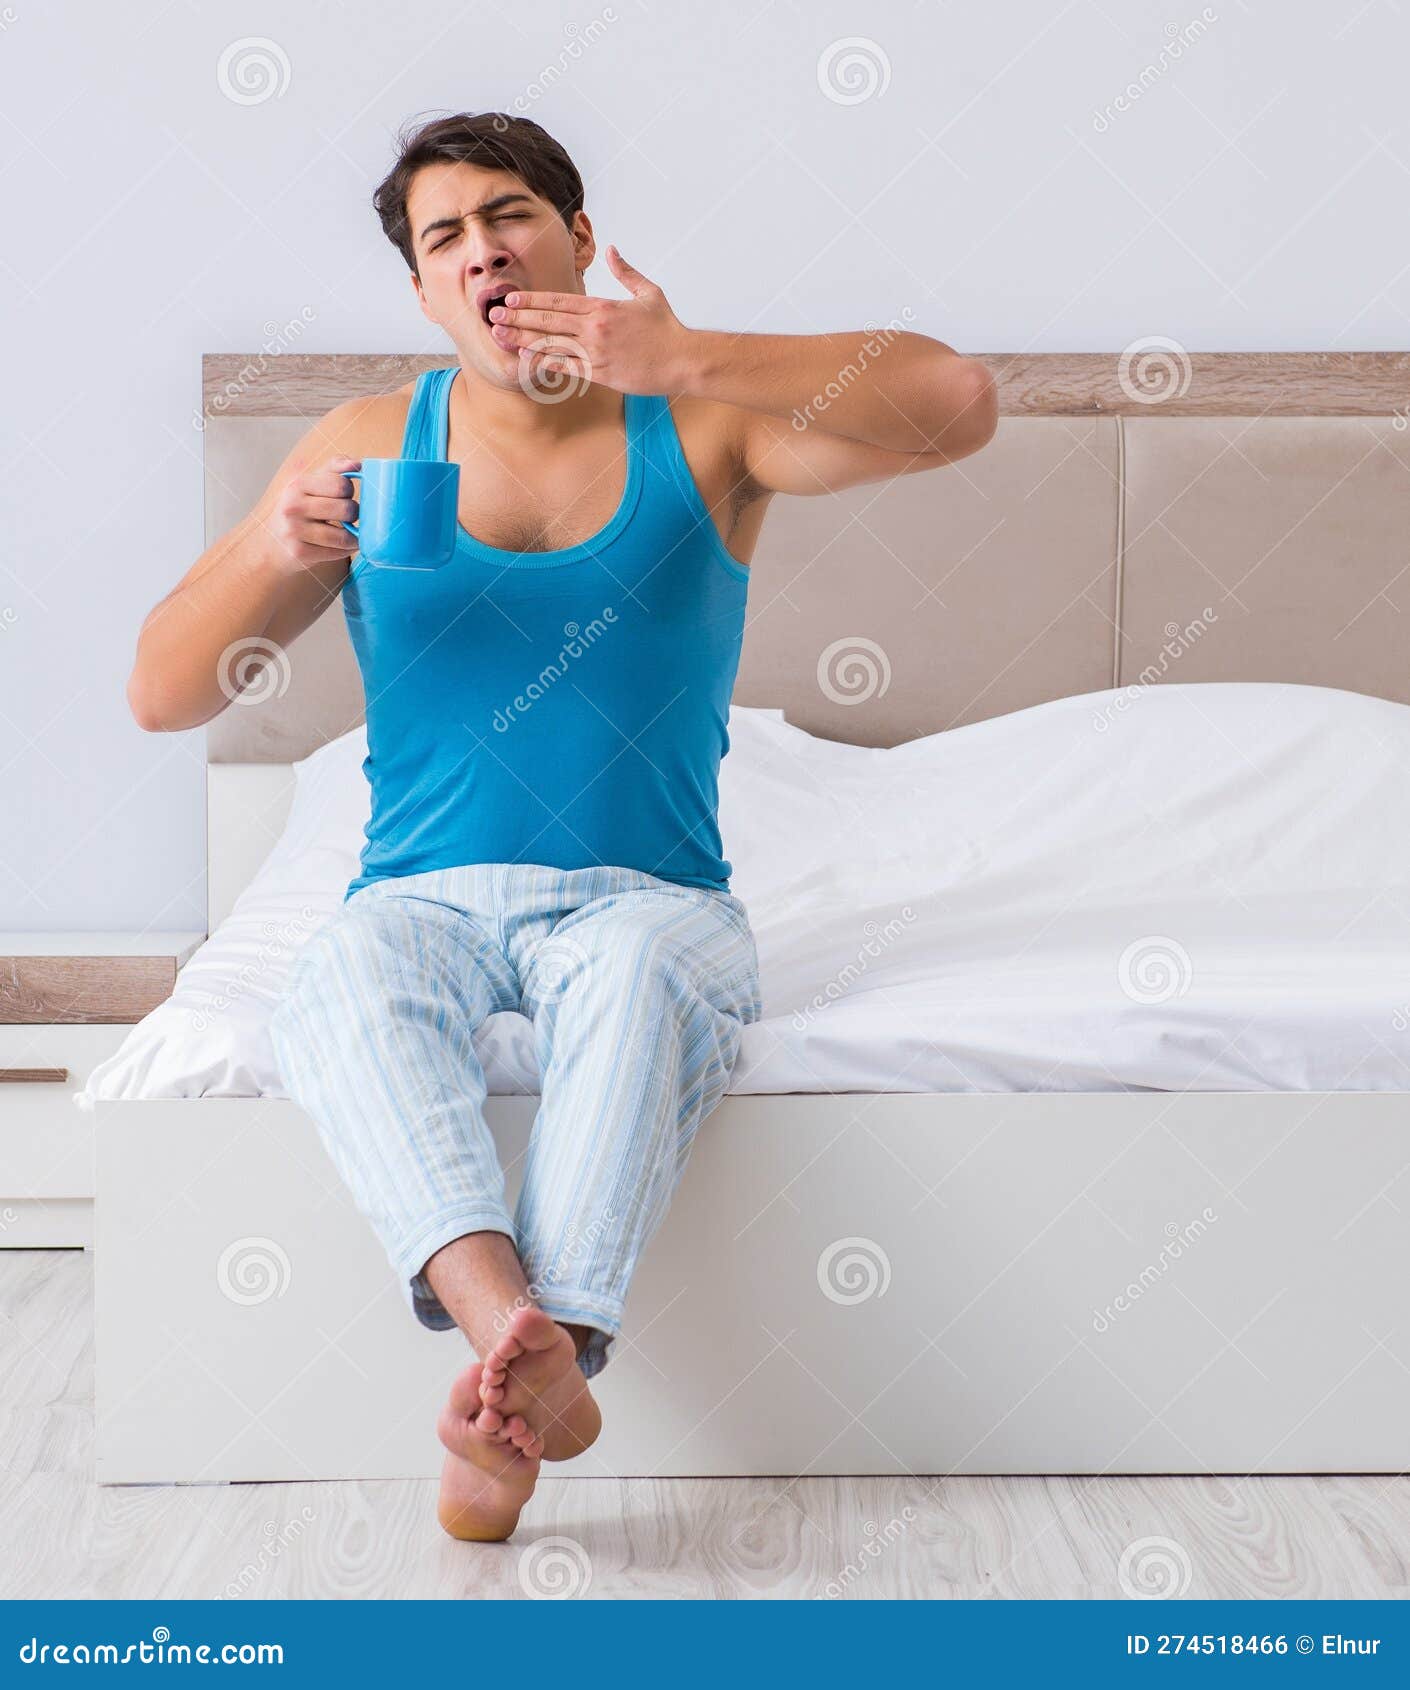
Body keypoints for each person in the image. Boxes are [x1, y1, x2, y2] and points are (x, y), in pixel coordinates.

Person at [126, 111, 999, 1541]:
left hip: (650, 895)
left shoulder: (700, 426)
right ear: (420, 291)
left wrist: (683, 354)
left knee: (639, 978)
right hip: (418, 892)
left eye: (510, 213)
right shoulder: (364, 444)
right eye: (444, 236)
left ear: (578, 241)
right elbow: (163, 694)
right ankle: (534, 1356)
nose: (484, 248)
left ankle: (513, 1403)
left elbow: (954, 400)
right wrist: (265, 549)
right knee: (333, 982)